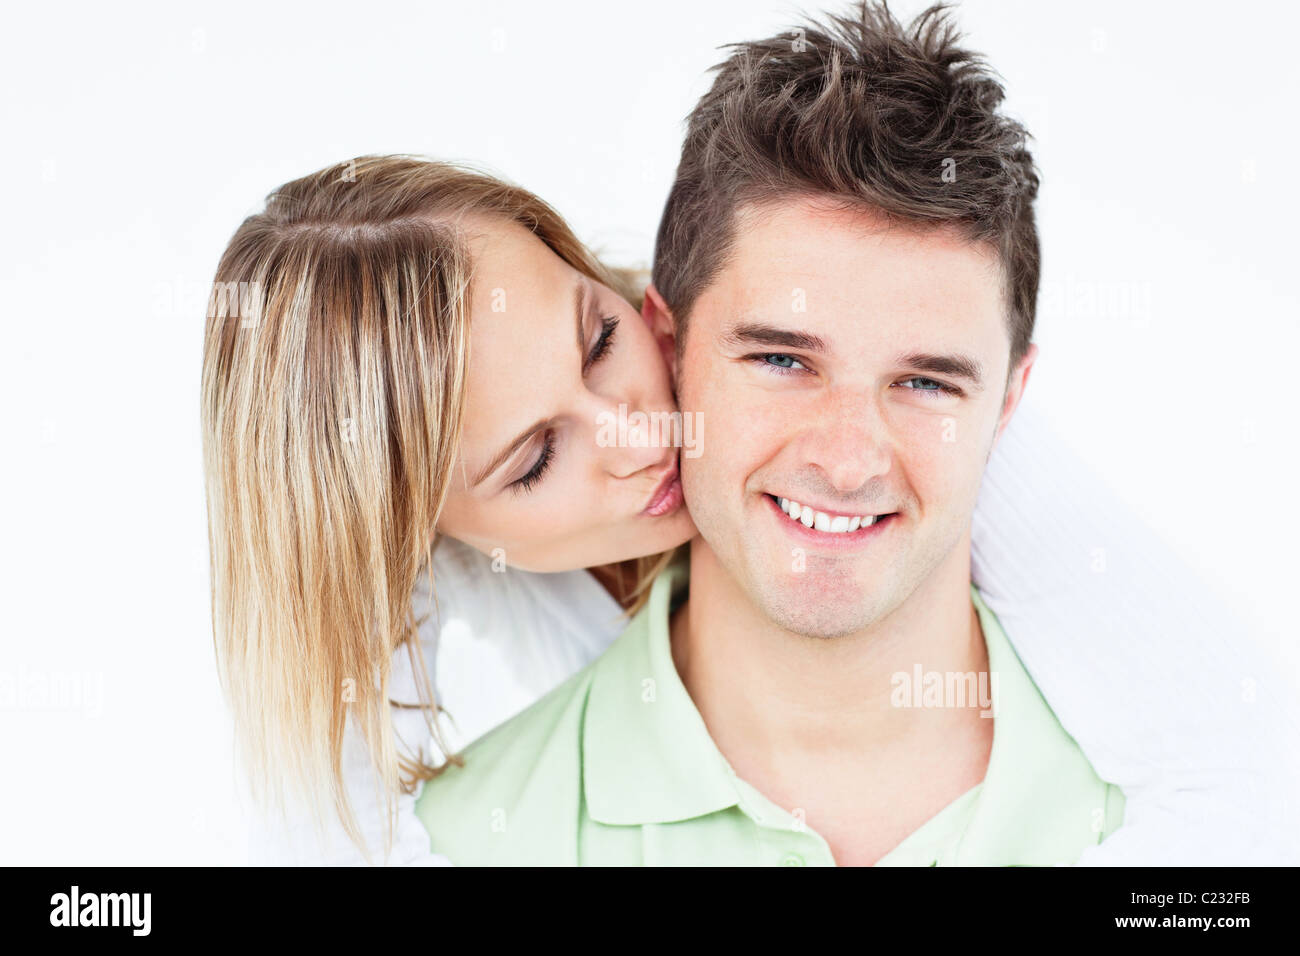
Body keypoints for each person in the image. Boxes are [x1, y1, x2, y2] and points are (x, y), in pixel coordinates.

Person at [203, 30, 1283, 869]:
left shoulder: (1162, 757)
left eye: (599, 338)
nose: (642, 431)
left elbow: (1237, 763)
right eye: (533, 462)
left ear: (648, 315)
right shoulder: (490, 817)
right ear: (437, 543)